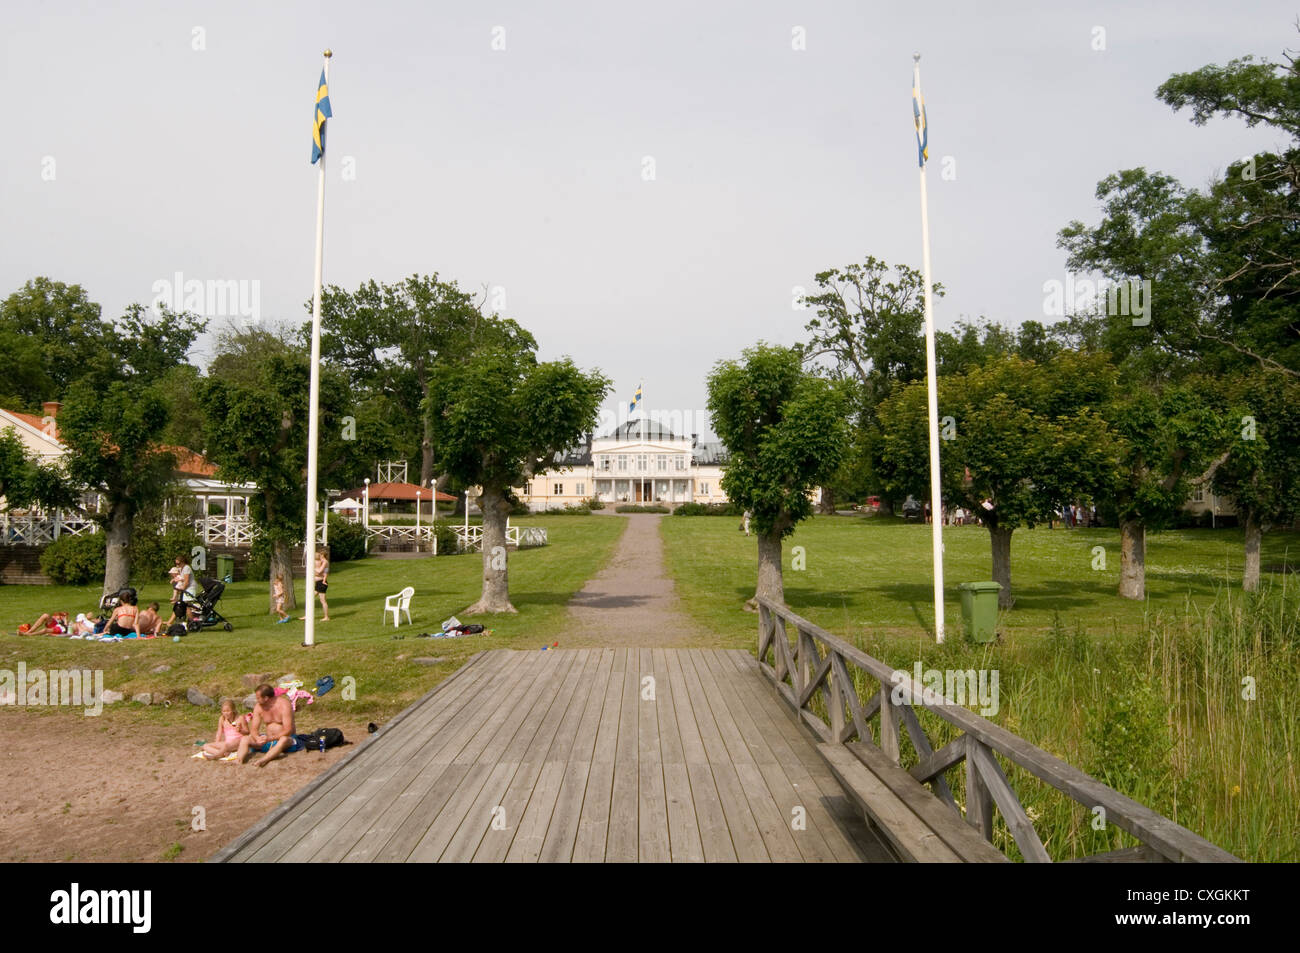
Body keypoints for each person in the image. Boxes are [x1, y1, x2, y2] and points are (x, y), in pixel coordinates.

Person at [236, 684, 302, 767]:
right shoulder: (258, 707)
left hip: (286, 740)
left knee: (283, 739)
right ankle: (239, 760)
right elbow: (254, 729)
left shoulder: (284, 705)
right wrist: (257, 738)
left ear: (266, 698)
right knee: (245, 738)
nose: (256, 700)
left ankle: (263, 760)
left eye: (258, 698)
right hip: (268, 740)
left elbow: (288, 730)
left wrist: (271, 738)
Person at [299, 548, 330, 622]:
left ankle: (326, 617)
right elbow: (324, 572)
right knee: (309, 598)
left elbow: (319, 571)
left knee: (323, 601)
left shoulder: (325, 562)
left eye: (320, 554)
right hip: (319, 583)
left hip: (321, 583)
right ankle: (307, 615)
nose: (319, 556)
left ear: (322, 555)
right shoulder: (323, 561)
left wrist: (311, 567)